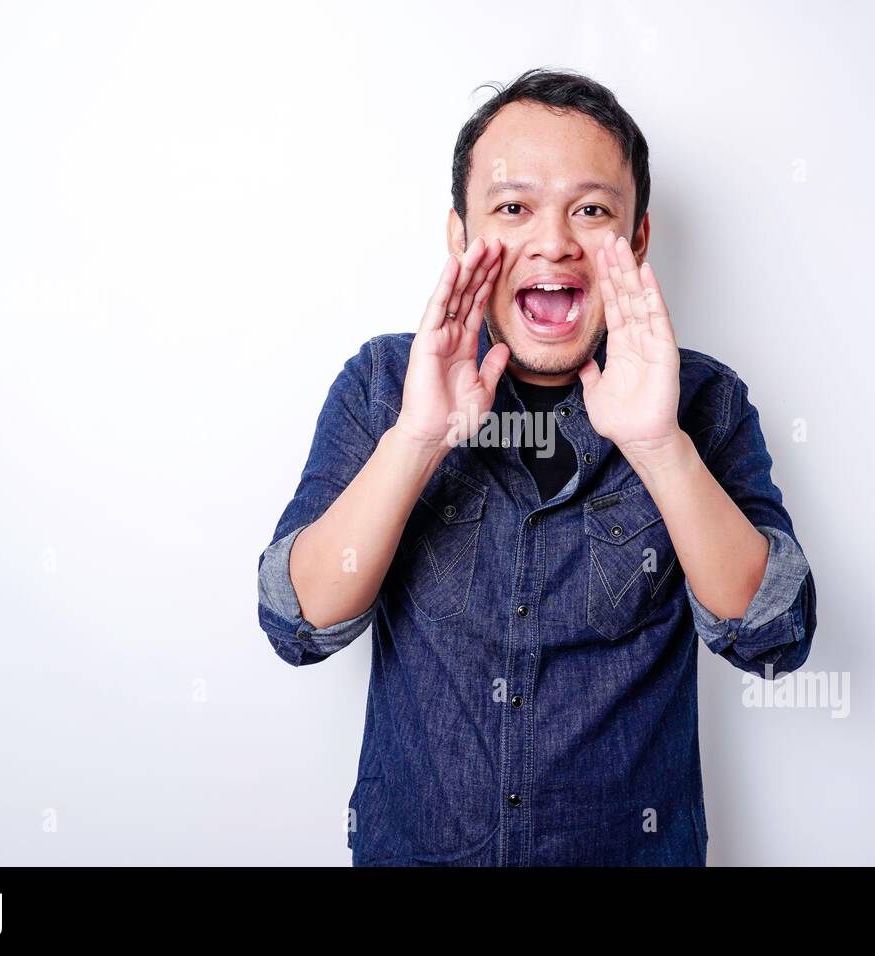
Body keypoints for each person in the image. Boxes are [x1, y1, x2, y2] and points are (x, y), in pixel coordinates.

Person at [257, 67, 817, 866]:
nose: (554, 241)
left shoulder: (707, 402)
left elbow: (772, 637)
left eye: (591, 211)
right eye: (513, 208)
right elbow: (297, 623)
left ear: (639, 237)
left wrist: (660, 447)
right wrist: (417, 439)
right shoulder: (383, 385)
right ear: (460, 233)